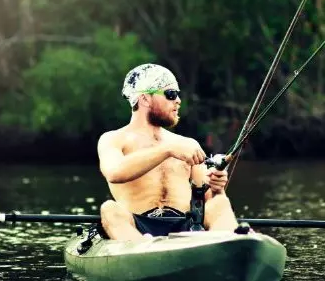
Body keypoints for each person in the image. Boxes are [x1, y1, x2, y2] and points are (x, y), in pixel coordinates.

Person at [98, 63, 239, 240]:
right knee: (109, 209)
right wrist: (167, 150)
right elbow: (114, 172)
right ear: (145, 99)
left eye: (177, 95)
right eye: (171, 94)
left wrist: (217, 186)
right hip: (138, 225)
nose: (178, 100)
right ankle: (142, 251)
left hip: (184, 225)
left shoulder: (187, 144)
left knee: (221, 203)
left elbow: (207, 198)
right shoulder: (113, 139)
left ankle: (231, 249)